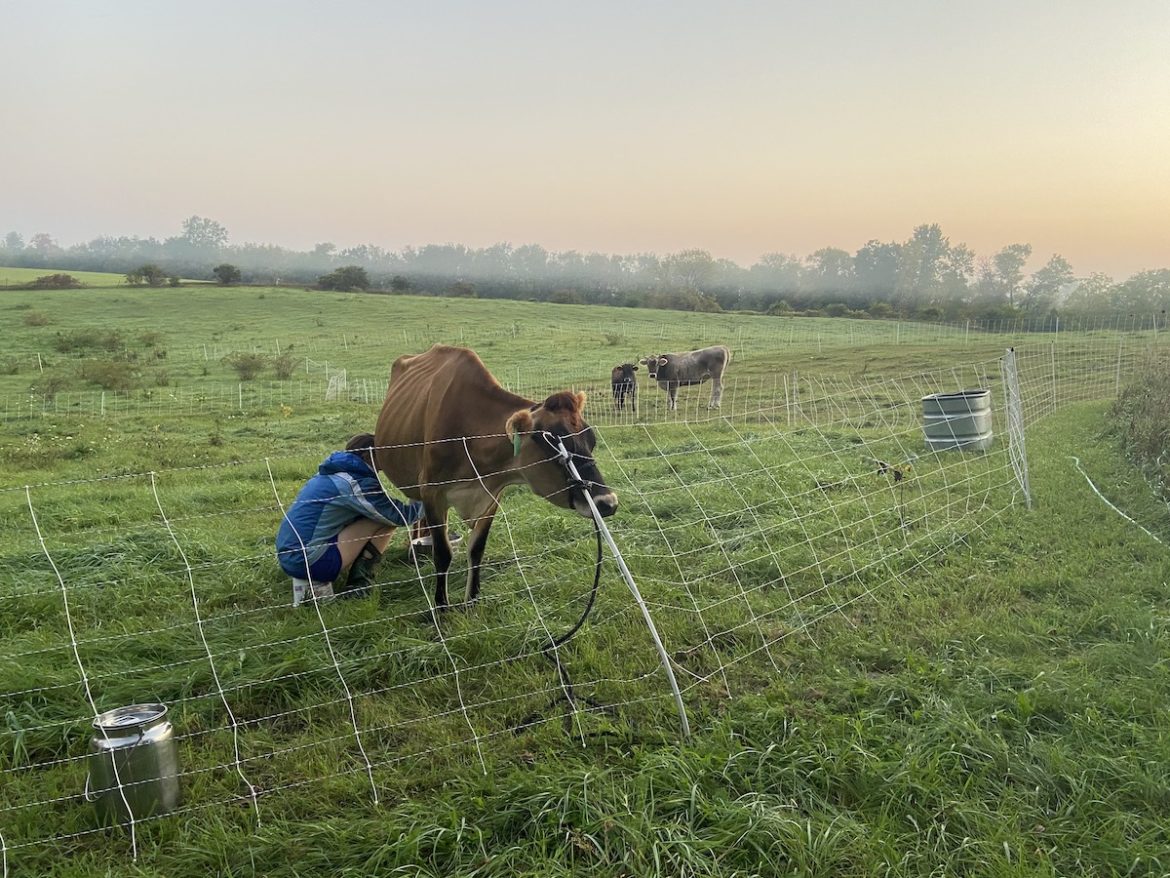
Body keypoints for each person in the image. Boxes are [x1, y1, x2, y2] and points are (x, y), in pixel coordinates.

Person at [275, 433, 424, 606]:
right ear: (368, 455)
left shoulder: (332, 474)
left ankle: (348, 577)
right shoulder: (356, 483)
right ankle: (360, 585)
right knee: (383, 521)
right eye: (382, 457)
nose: (385, 465)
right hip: (309, 560)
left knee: (369, 516)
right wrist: (425, 493)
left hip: (290, 555)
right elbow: (401, 517)